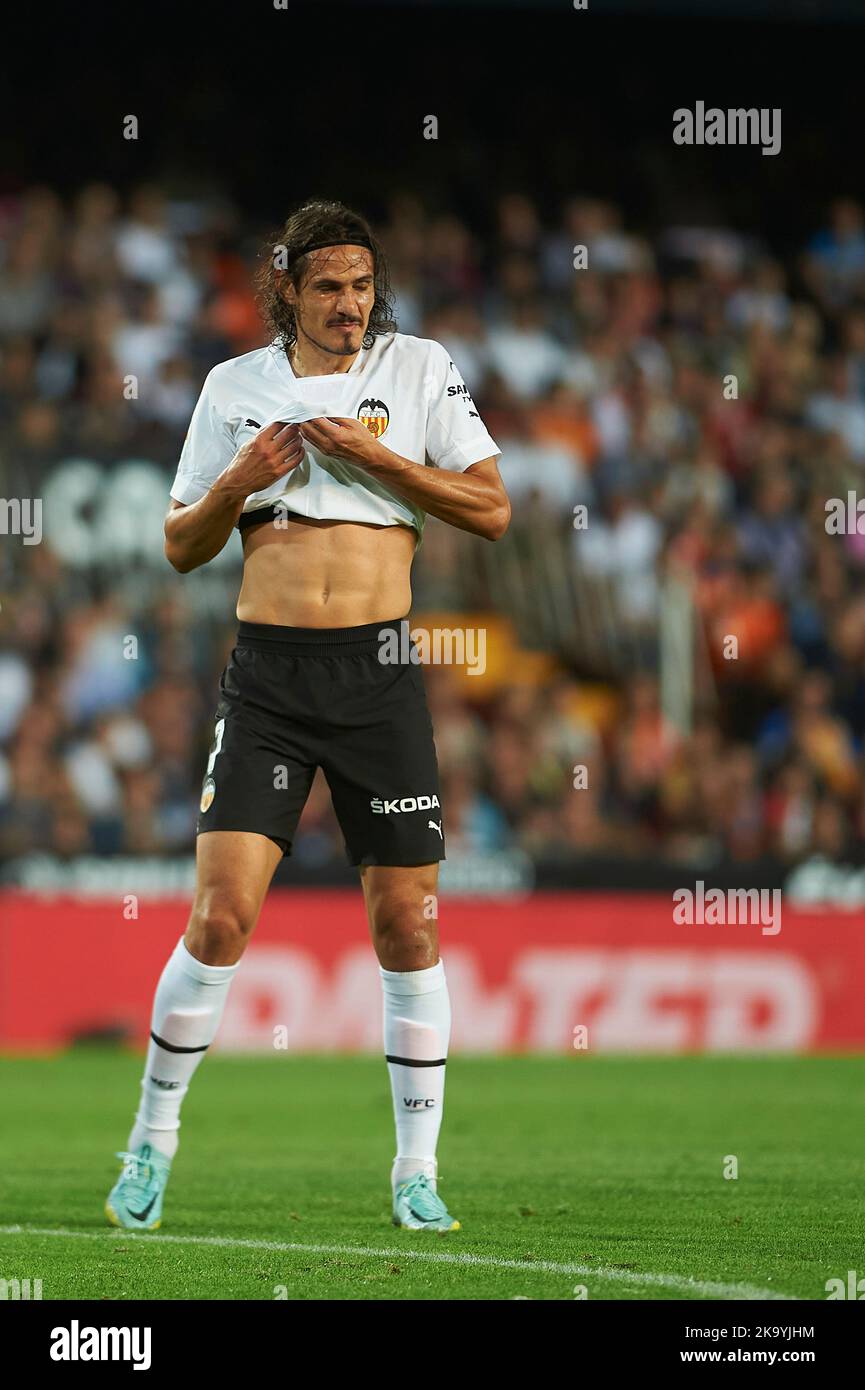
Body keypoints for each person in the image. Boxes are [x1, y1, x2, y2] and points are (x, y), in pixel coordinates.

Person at [105, 199, 510, 1235]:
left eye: (362, 285)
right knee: (220, 916)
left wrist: (379, 463)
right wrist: (240, 480)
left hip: (378, 670)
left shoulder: (418, 368)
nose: (348, 304)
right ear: (284, 286)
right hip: (273, 678)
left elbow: (492, 508)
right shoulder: (232, 389)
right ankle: (150, 1145)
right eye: (328, 286)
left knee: (407, 925)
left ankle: (414, 1172)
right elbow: (181, 544)